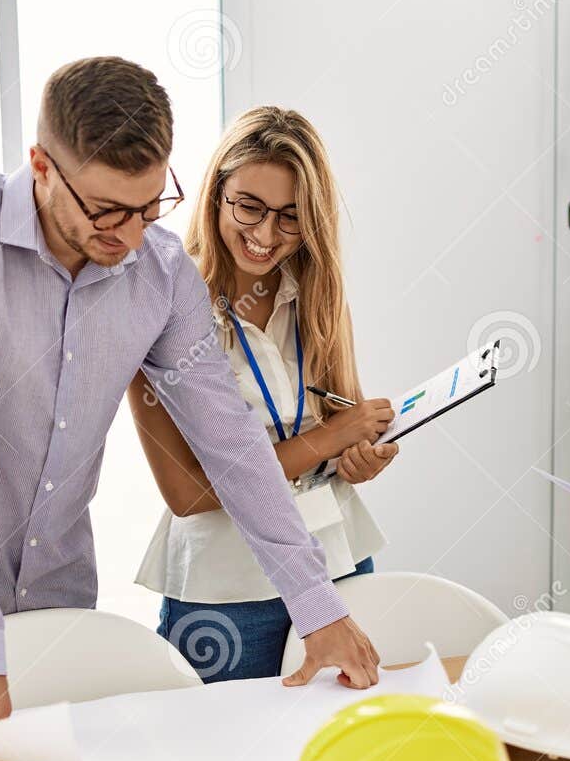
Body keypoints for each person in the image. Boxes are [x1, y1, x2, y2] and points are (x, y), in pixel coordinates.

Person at [0, 59, 381, 736]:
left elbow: (233, 443)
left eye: (150, 206)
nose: (129, 236)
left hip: (56, 614)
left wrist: (315, 603)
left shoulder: (161, 275)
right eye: (105, 210)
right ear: (41, 166)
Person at [128, 107, 398, 681]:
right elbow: (190, 494)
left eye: (291, 218)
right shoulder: (162, 308)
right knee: (220, 759)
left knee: (342, 750)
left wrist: (358, 457)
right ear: (216, 194)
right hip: (225, 589)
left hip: (338, 559)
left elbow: (343, 432)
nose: (265, 235)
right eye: (249, 206)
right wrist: (329, 439)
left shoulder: (320, 299)